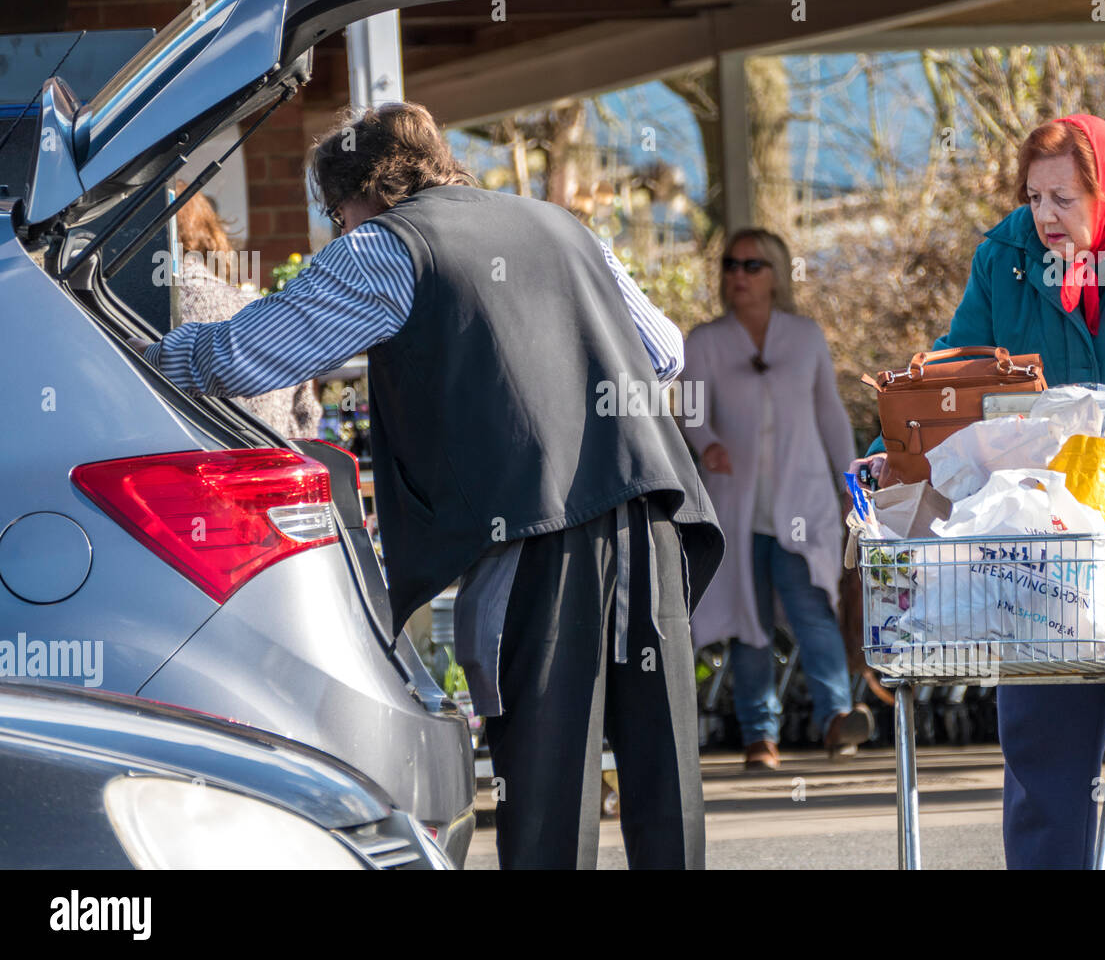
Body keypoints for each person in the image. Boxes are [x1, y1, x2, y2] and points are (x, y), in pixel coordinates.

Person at [139, 102, 724, 869]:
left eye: (333, 212)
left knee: (547, 788)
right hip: (651, 509)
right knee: (665, 774)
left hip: (536, 524)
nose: (336, 229)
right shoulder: (558, 223)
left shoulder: (389, 245)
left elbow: (245, 357)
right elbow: (666, 350)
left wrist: (142, 355)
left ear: (364, 191)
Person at [859, 114, 1105, 869]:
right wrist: (893, 454)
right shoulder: (1008, 255)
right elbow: (956, 375)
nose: (1045, 217)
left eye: (1064, 199)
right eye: (1034, 196)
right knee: (1043, 759)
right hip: (1053, 543)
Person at [683, 228, 872, 770]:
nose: (738, 275)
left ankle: (838, 717)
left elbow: (831, 416)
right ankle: (759, 736)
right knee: (749, 619)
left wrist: (849, 488)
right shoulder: (705, 341)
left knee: (813, 606)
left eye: (752, 265)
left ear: (776, 275)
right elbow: (691, 410)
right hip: (736, 505)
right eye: (731, 265)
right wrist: (708, 445)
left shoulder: (805, 336)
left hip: (801, 502)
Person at [170, 184, 322, 440]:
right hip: (269, 468)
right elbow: (307, 421)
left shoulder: (127, 316)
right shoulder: (261, 310)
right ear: (208, 232)